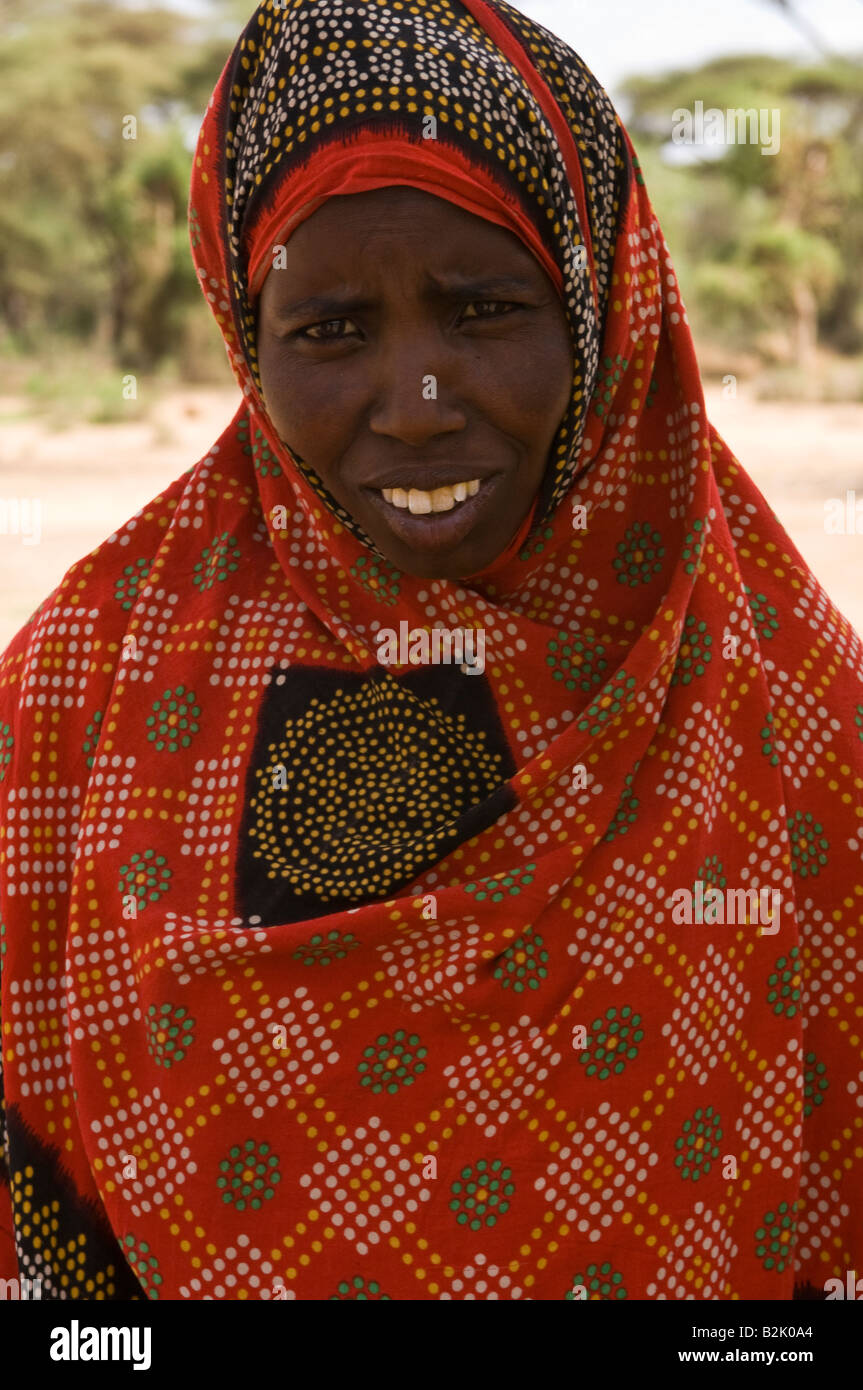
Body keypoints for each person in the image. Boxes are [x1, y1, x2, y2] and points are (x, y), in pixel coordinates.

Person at [0, 0, 860, 1303]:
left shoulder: (785, 707)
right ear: (247, 335)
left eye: (482, 308)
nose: (414, 402)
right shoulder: (84, 687)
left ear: (597, 310)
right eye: (331, 330)